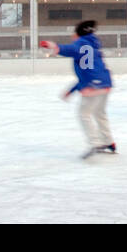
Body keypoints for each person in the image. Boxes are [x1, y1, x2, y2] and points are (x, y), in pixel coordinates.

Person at [40, 20, 115, 160]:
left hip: (93, 86)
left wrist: (53, 46)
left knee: (84, 114)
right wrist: (71, 90)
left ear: (79, 34)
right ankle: (108, 141)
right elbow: (87, 73)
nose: (72, 36)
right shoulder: (94, 45)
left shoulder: (81, 44)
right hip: (105, 83)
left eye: (74, 32)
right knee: (99, 113)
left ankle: (95, 143)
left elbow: (69, 49)